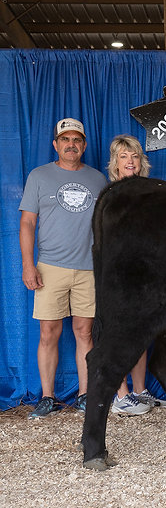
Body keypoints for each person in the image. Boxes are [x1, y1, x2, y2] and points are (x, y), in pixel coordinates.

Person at [19, 118, 108, 418]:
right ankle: (47, 397)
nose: (71, 145)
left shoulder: (98, 179)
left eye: (77, 140)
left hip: (88, 269)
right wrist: (28, 265)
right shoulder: (39, 176)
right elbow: (27, 222)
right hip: (50, 267)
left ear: (83, 145)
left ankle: (85, 395)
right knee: (49, 333)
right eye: (65, 140)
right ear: (56, 145)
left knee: (85, 333)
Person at [105, 135, 166, 415]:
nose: (130, 161)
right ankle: (120, 395)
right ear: (115, 163)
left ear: (142, 161)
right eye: (123, 157)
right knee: (119, 335)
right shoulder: (110, 195)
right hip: (119, 274)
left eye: (134, 156)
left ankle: (140, 391)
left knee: (142, 335)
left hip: (145, 273)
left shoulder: (149, 193)